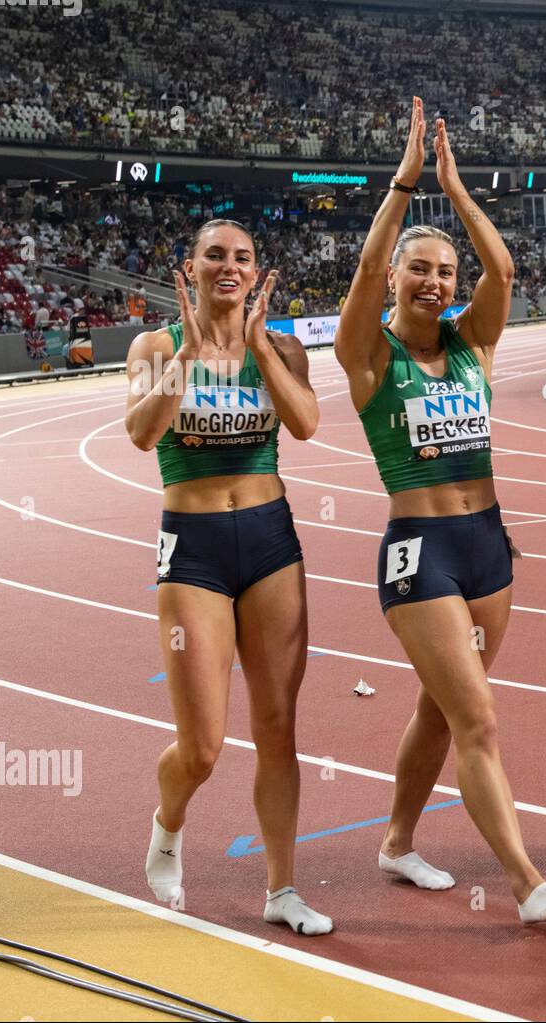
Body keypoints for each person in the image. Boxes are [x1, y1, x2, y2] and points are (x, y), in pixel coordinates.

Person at [334, 98, 546, 925]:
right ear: (397, 282)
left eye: (444, 271)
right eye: (421, 270)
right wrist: (408, 185)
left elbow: (503, 271)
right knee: (477, 718)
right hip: (420, 552)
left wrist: (458, 188)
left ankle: (397, 841)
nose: (435, 281)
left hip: (489, 545)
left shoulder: (474, 343)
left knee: (440, 710)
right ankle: (526, 883)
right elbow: (367, 272)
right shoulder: (369, 355)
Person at [124, 220, 333, 934]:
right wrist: (186, 351)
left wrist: (262, 348)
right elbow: (141, 432)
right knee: (205, 746)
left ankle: (281, 891)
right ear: (192, 265)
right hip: (194, 549)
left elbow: (306, 424)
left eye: (242, 257)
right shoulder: (155, 346)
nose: (229, 266)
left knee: (278, 730)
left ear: (255, 271)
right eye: (216, 255)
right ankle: (168, 822)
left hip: (272, 543)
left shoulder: (281, 347)